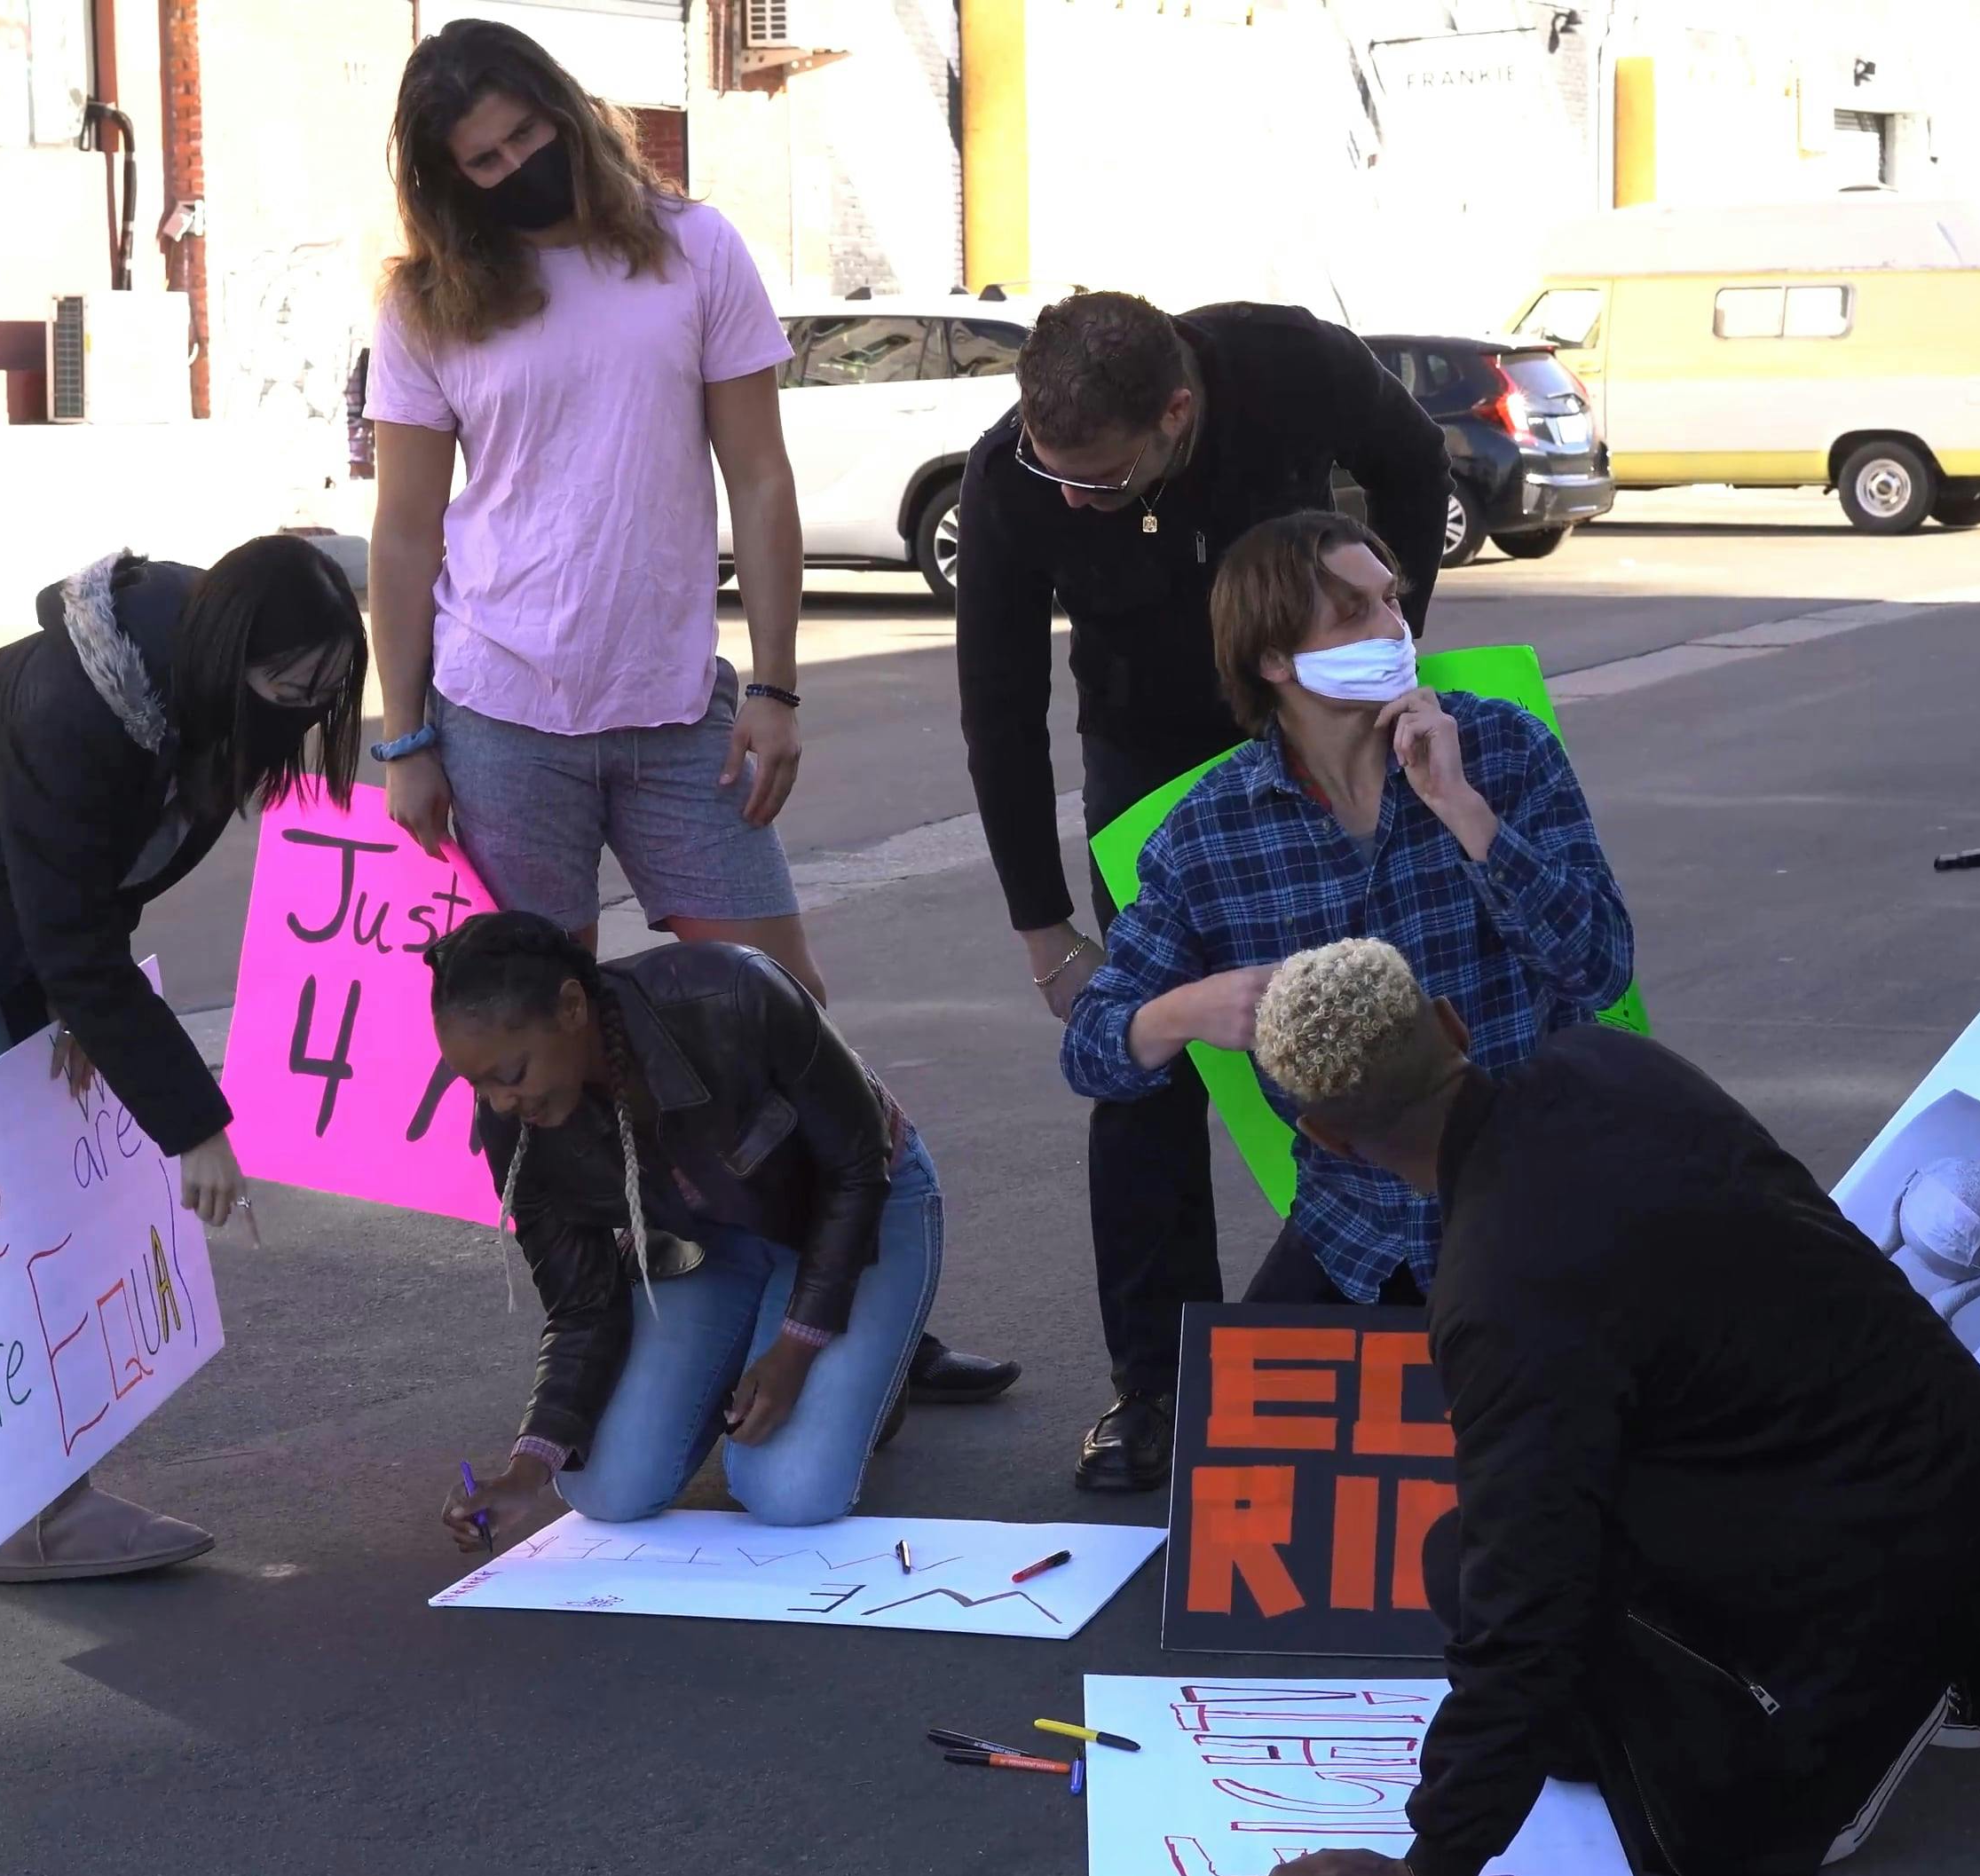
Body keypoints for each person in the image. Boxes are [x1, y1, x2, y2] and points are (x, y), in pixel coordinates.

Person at [365, 20, 1010, 1409]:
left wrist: (776, 689)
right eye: (481, 163)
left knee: (791, 1013)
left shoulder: (690, 248)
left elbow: (762, 481)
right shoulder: (429, 303)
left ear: (565, 112)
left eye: (527, 138)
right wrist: (405, 736)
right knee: (537, 1065)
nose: (514, 169)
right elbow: (406, 534)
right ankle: (598, 1338)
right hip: (499, 716)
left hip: (674, 713)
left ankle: (868, 1306)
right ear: (445, 180)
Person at [1232, 941, 1980, 1876]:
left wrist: (1428, 1869)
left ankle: (1861, 1713)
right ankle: (1966, 1621)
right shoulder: (1611, 1063)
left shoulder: (1500, 1287)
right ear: (1452, 1024)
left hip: (1889, 1550)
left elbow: (1526, 1592)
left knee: (1506, 1594)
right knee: (1518, 1534)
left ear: (1324, 1138)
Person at [0, 535, 368, 1581]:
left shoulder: (196, 696)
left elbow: (91, 890)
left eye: (328, 691)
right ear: (232, 658)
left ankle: (1, 1500)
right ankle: (32, 1516)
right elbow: (73, 928)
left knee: (30, 1184)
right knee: (16, 1206)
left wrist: (72, 1012)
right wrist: (196, 1127)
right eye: (292, 688)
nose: (308, 713)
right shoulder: (77, 709)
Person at [954, 294, 1450, 1490]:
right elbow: (1001, 706)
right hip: (1150, 768)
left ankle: (1441, 1316)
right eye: (1052, 470)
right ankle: (1160, 1390)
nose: (1072, 497)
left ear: (1177, 415)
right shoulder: (1013, 478)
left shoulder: (1288, 365)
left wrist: (1385, 653)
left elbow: (1415, 464)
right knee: (1144, 1067)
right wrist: (1043, 930)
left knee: (1401, 1017)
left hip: (1329, 730)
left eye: (1104, 479)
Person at [1063, 511, 1631, 1314]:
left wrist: (1466, 812)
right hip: (1360, 1222)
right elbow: (1092, 1049)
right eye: (1356, 613)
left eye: (1393, 603)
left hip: (1534, 1184)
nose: (1394, 629)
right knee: (1241, 1409)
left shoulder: (1501, 747)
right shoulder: (1209, 832)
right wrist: (1183, 1010)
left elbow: (1601, 965)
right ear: (1273, 657)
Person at [430, 912, 941, 1539]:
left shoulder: (733, 992)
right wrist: (526, 1469)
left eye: (510, 1076)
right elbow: (581, 1306)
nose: (501, 1103)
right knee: (604, 1489)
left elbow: (857, 1172)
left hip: (855, 1213)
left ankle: (865, 1366)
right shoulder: (514, 1122)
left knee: (789, 1491)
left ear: (570, 1007)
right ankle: (775, 1342)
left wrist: (794, 1351)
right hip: (708, 1243)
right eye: (478, 1086)